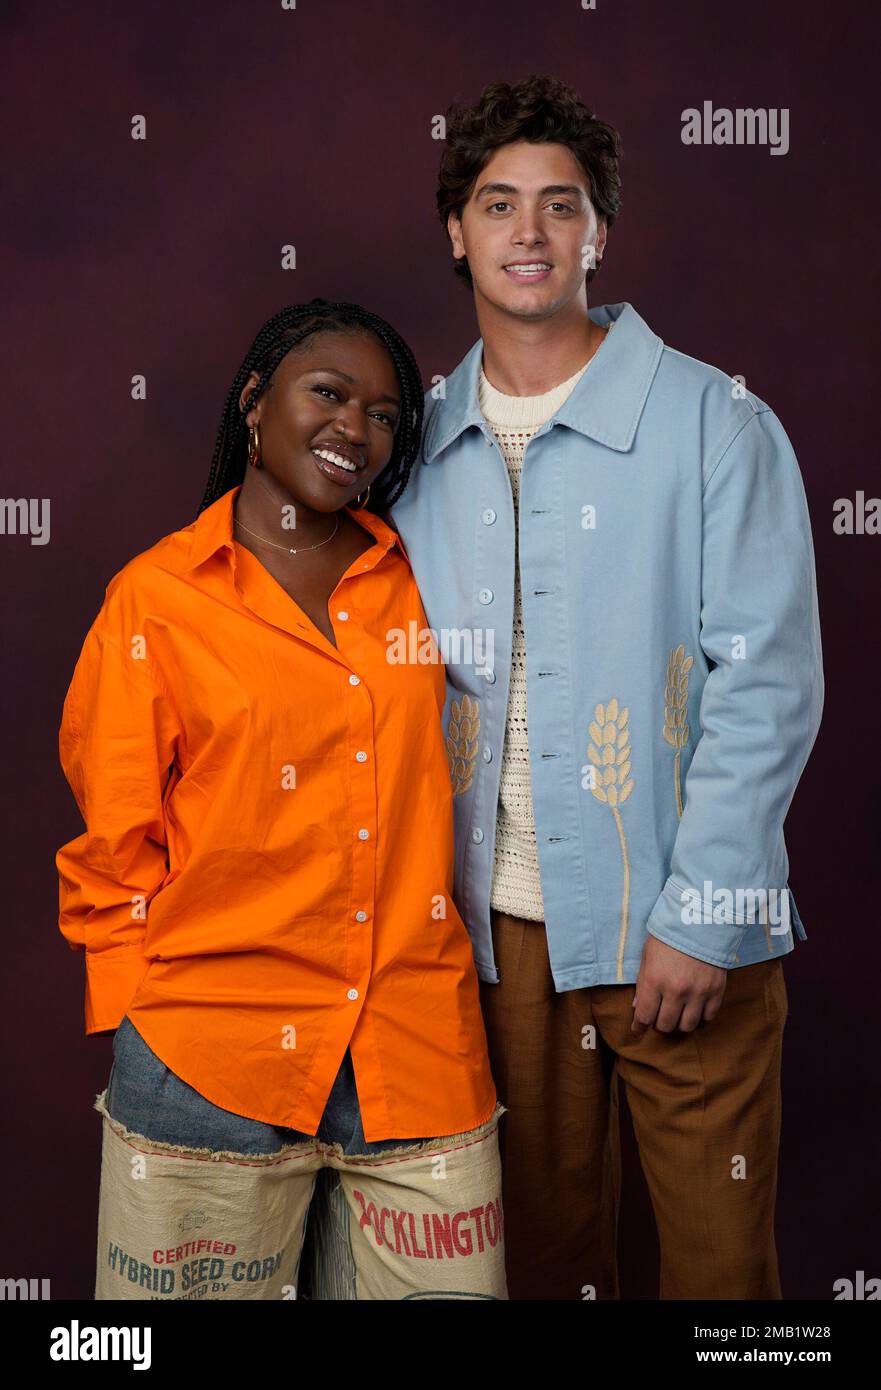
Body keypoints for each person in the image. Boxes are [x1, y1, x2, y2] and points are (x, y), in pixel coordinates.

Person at [387, 74, 824, 1300]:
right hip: (494, 946)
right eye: (496, 203)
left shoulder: (712, 423)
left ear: (598, 232)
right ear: (455, 232)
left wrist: (703, 910)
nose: (527, 233)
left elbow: (769, 681)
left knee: (718, 1277)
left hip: (680, 933)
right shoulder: (417, 448)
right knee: (537, 1266)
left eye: (558, 205)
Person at [55, 298, 507, 1302]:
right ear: (255, 406)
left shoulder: (416, 579)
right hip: (208, 1057)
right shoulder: (157, 598)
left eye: (385, 414)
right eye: (329, 393)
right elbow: (114, 834)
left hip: (416, 1048)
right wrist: (143, 1015)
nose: (356, 428)